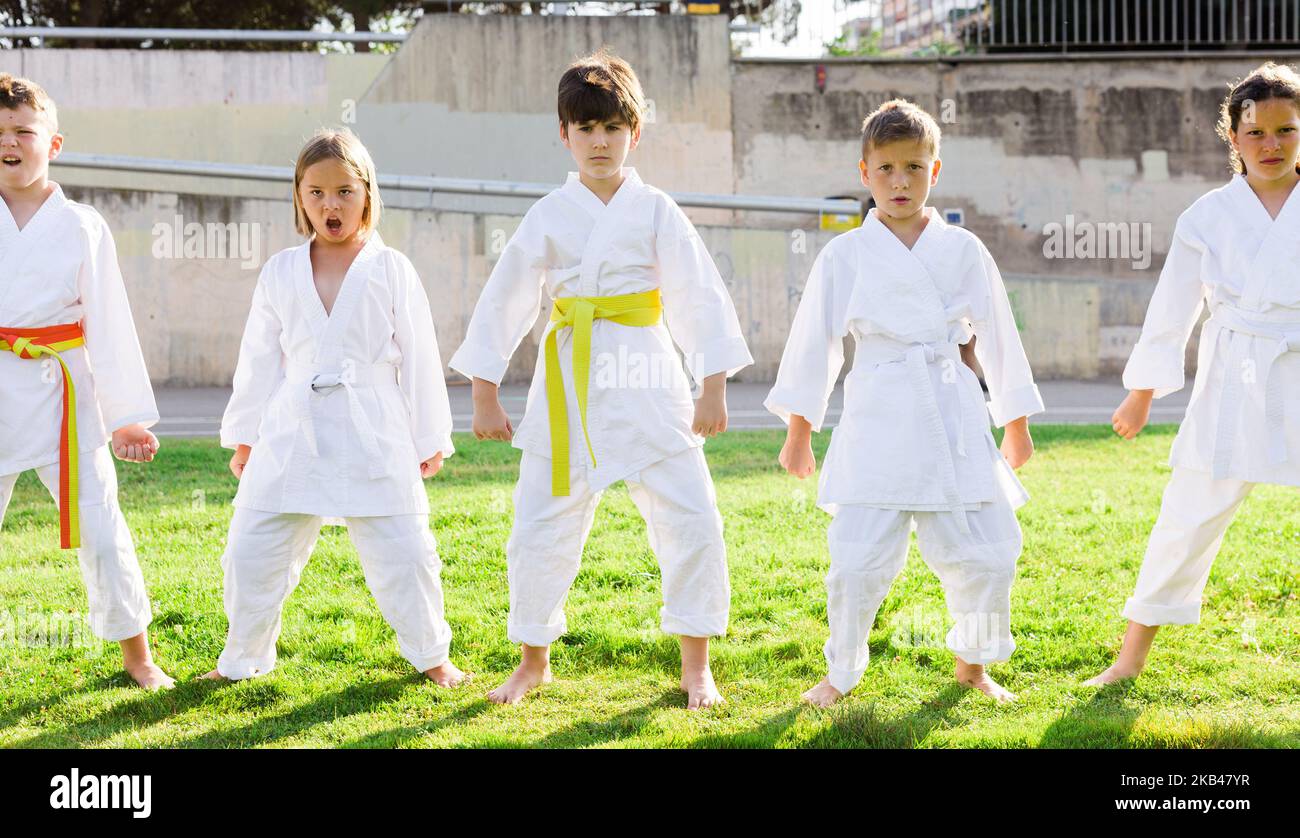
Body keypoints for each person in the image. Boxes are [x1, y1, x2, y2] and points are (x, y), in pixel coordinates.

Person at [450, 49, 752, 709]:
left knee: (692, 514)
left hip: (648, 372)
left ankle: (696, 663)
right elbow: (507, 297)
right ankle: (534, 657)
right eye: (585, 129)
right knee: (539, 521)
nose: (599, 141)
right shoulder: (548, 215)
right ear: (564, 134)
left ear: (634, 132)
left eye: (613, 128)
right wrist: (484, 390)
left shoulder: (656, 210)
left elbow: (697, 293)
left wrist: (712, 383)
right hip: (568, 382)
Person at [767, 99, 1042, 707]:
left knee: (988, 553)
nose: (900, 182)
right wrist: (799, 428)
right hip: (880, 413)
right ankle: (841, 671)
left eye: (914, 168)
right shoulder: (845, 254)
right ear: (864, 174)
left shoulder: (965, 249)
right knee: (857, 561)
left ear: (934, 172)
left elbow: (997, 333)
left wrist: (1015, 422)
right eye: (886, 168)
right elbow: (815, 342)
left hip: (954, 413)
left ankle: (973, 664)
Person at [202, 128, 465, 686]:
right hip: (291, 429)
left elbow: (420, 355)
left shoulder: (391, 268)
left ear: (367, 193)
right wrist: (246, 435)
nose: (331, 204)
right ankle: (241, 659)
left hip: (374, 425)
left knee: (405, 553)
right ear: (299, 196)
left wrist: (429, 437)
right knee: (251, 550)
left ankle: (432, 656)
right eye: (316, 192)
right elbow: (258, 360)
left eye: (344, 191)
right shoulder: (280, 271)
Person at [1088, 62, 1300, 685]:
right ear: (1232, 135)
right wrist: (1141, 391)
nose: (1270, 145)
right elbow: (1174, 305)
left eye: (1286, 131)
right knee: (1187, 514)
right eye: (1255, 132)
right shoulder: (1207, 215)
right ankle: (1129, 660)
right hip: (1236, 371)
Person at [0, 73, 173, 689]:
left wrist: (126, 414)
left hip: (64, 392)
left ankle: (138, 655)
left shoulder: (82, 225)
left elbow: (109, 321)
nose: (9, 142)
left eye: (23, 130)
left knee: (102, 528)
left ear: (54, 142)